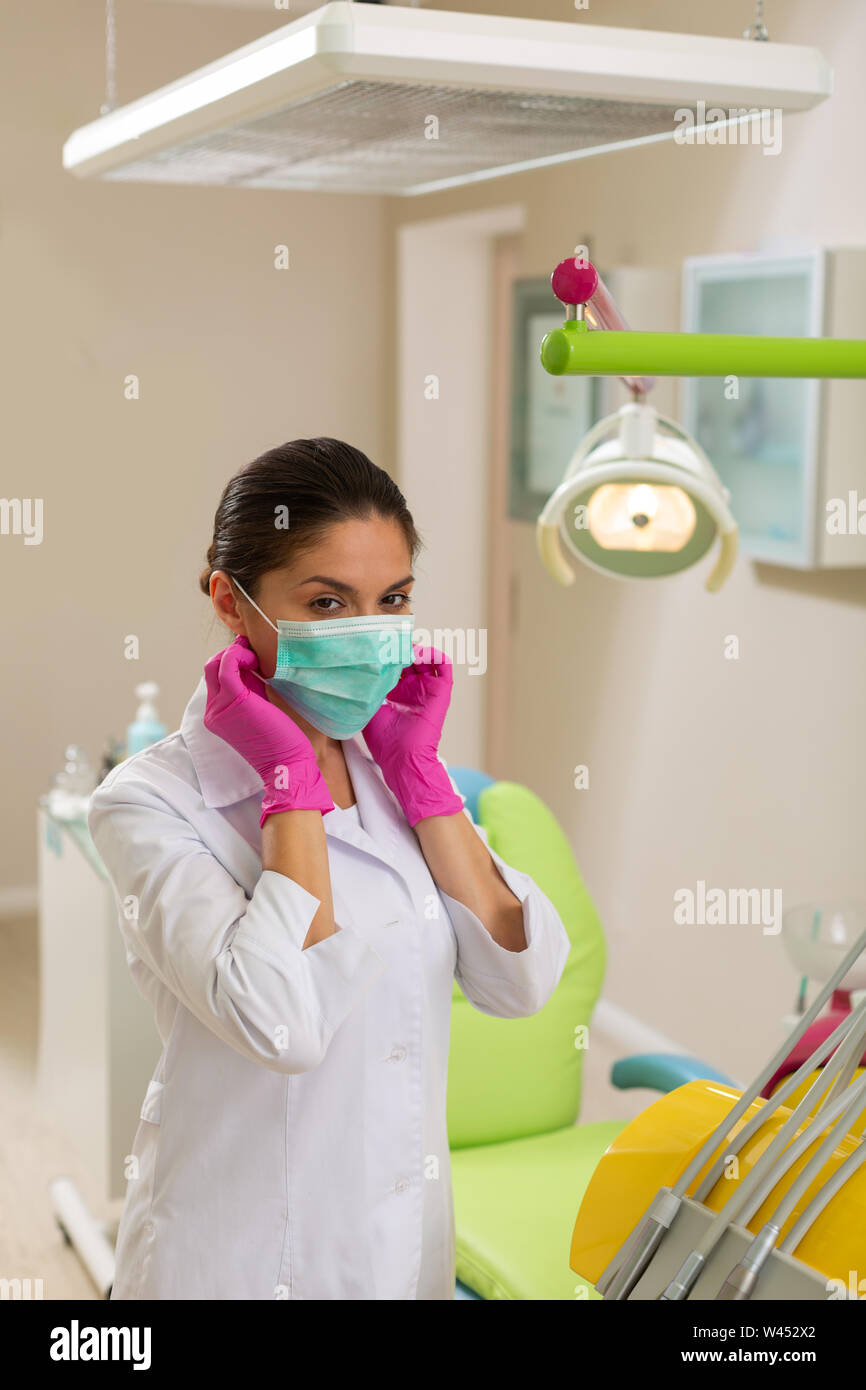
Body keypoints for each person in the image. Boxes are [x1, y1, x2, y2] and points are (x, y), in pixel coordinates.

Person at [88, 436, 571, 1300]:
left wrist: (423, 781)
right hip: (238, 1254)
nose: (367, 632)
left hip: (399, 1246)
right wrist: (287, 784)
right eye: (326, 601)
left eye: (391, 599)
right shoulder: (150, 802)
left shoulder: (389, 770)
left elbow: (520, 977)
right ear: (233, 607)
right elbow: (285, 1025)